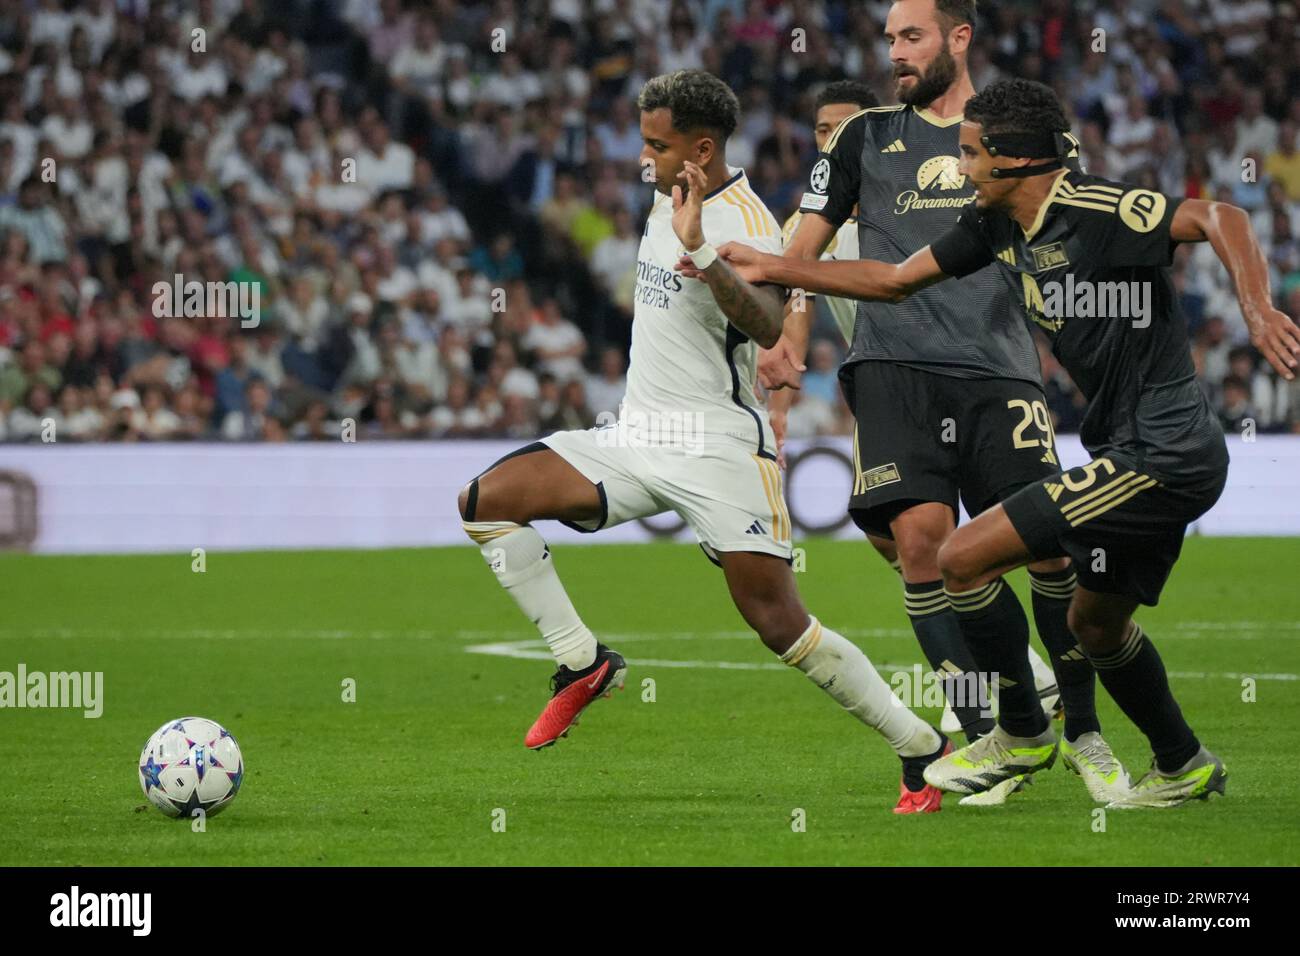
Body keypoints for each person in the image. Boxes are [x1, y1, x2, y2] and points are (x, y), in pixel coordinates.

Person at [699, 77, 1300, 808]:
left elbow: (1221, 214)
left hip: (1164, 449)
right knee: (1095, 625)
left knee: (960, 555)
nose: (958, 170)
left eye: (971, 154)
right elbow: (892, 281)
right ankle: (1183, 762)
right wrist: (775, 267)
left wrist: (1258, 308)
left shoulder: (1095, 208)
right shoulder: (994, 226)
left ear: (1014, 163)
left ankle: (1022, 730)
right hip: (1125, 450)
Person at [459, 69, 952, 813]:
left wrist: (706, 255)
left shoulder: (747, 223)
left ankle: (920, 747)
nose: (643, 158)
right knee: (484, 502)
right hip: (636, 432)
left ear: (702, 146)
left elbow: (764, 323)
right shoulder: (665, 198)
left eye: (657, 146)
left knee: (778, 623)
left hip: (718, 446)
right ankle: (582, 662)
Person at [763, 0, 1111, 803]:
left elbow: (1071, 244)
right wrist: (787, 334)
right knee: (922, 549)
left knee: (1049, 552)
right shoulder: (863, 137)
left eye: (911, 37)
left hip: (999, 368)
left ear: (960, 37)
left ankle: (1085, 730)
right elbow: (803, 248)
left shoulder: (1024, 135)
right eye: (889, 40)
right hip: (891, 365)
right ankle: (1001, 732)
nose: (896, 53)